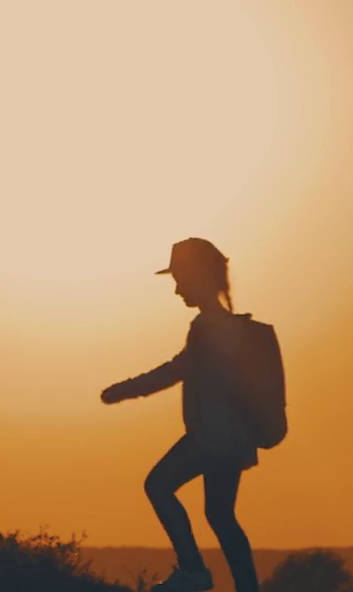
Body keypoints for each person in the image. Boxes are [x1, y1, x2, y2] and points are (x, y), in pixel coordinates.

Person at [101, 238, 282, 592]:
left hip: (211, 439)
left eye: (181, 280)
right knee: (220, 516)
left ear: (199, 277)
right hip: (234, 440)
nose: (178, 290)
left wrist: (123, 390)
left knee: (158, 485)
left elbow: (175, 371)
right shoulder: (228, 327)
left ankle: (193, 570)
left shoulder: (210, 328)